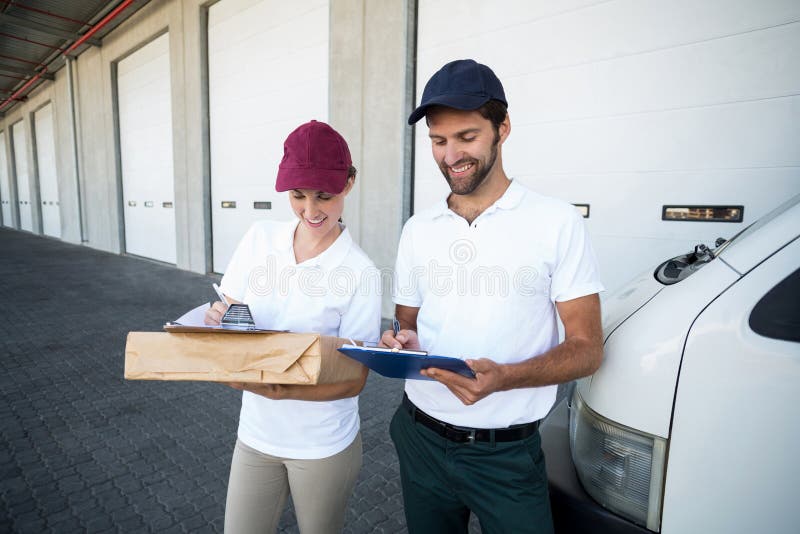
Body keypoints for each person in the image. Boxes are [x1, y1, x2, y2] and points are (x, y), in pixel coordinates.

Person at [380, 59, 605, 533]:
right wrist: (399, 341)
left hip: (506, 457)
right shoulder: (418, 229)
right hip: (419, 438)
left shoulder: (556, 222)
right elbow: (406, 323)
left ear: (503, 128)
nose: (450, 156)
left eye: (467, 137)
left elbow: (587, 349)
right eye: (438, 141)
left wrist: (506, 377)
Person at [205, 120, 381, 534]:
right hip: (255, 435)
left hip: (322, 445)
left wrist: (279, 389)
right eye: (298, 195)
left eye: (325, 196)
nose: (311, 210)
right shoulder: (259, 239)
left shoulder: (361, 273)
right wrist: (218, 320)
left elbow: (353, 379)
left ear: (349, 183)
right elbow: (229, 310)